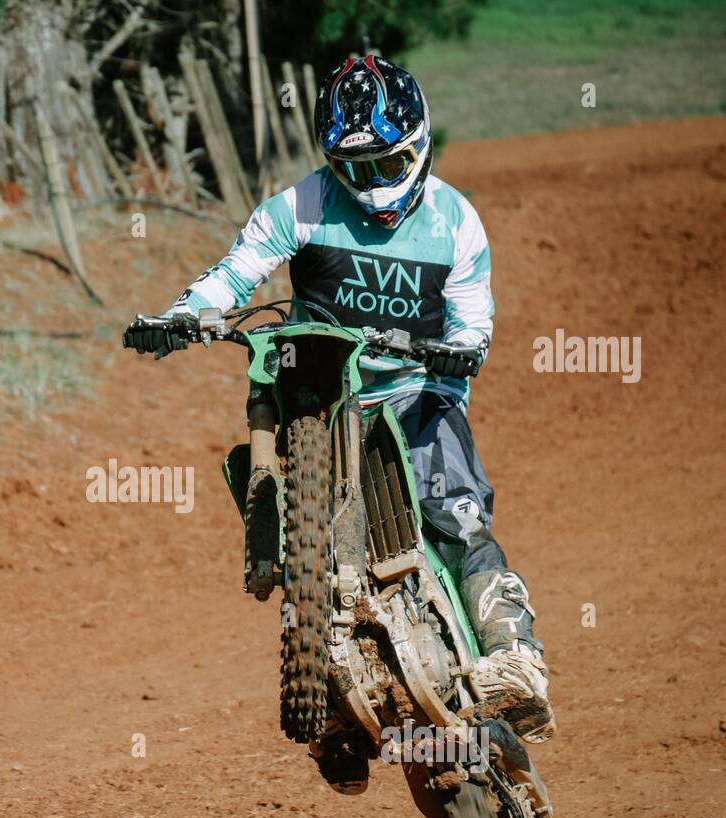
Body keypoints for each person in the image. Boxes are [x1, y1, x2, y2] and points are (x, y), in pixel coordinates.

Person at [124, 55, 554, 746]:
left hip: (416, 391)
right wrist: (183, 315)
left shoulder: (457, 222)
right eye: (356, 170)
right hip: (322, 392)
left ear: (419, 146)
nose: (375, 186)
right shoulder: (300, 205)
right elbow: (236, 272)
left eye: (389, 165)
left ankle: (515, 656)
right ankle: (328, 694)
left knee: (457, 514)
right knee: (309, 537)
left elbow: (474, 324)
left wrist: (460, 349)